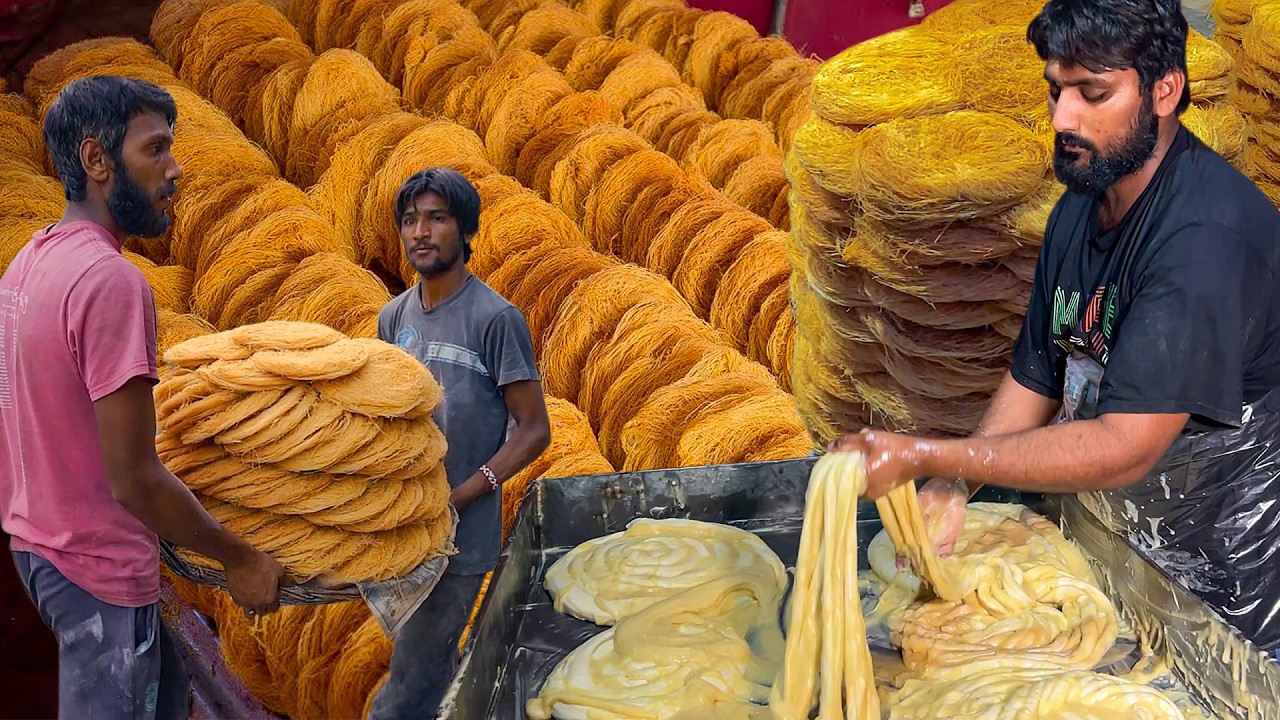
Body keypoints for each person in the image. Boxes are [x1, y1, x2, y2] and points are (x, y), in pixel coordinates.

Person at [832, 0, 1280, 653]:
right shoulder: (1082, 203)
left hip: (1221, 571)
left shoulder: (1199, 240)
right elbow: (1039, 370)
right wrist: (954, 485)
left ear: (1165, 91)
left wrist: (931, 454)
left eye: (1093, 93)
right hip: (1120, 541)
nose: (1063, 118)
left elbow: (1128, 445)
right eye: (1056, 89)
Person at [0, 75, 289, 720]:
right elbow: (134, 477)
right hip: (98, 571)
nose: (175, 170)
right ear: (97, 160)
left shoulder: (30, 260)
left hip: (39, 548)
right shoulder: (112, 283)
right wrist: (237, 556)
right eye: (154, 150)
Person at [371, 167, 551, 719]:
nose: (421, 232)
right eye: (410, 220)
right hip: (406, 535)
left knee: (408, 690)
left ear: (466, 231)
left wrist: (470, 491)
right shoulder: (392, 318)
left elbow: (534, 430)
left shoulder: (495, 319)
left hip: (460, 539)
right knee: (429, 670)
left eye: (437, 219)